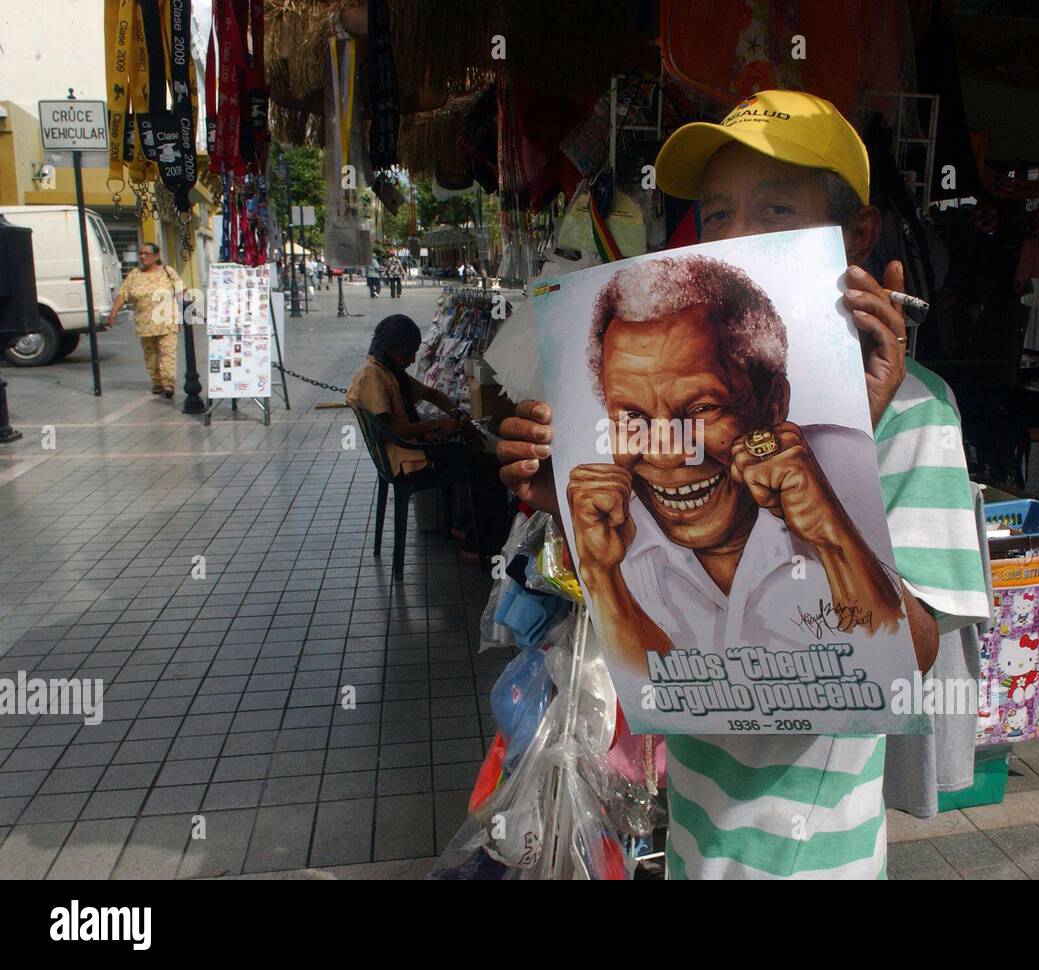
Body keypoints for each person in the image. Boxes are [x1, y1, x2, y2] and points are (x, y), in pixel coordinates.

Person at [496, 90, 989, 879]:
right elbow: (659, 651)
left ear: (854, 234)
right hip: (695, 836)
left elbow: (912, 656)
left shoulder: (917, 412)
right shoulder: (665, 424)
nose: (735, 238)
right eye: (717, 216)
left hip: (821, 858)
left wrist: (836, 480)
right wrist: (555, 496)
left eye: (774, 209)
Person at [570, 254, 904, 675]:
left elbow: (891, 668)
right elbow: (652, 690)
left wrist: (836, 540)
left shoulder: (845, 464)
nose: (666, 453)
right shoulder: (609, 527)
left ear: (774, 404)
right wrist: (603, 578)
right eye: (634, 419)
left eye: (703, 407)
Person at [347, 314, 506, 558]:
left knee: (472, 457)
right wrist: (437, 424)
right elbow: (391, 432)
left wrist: (455, 414)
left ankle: (464, 527)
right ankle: (477, 541)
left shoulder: (387, 370)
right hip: (405, 461)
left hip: (411, 449)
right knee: (486, 468)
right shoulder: (373, 376)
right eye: (407, 354)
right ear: (391, 349)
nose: (412, 360)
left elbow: (432, 395)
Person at [106, 241, 184, 398]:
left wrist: (193, 311)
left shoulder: (168, 272)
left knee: (167, 353)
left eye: (146, 254)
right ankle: (157, 382)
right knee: (151, 355)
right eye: (140, 254)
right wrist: (114, 311)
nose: (142, 257)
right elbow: (123, 294)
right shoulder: (135, 275)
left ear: (156, 256)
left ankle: (168, 383)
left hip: (167, 322)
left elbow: (182, 291)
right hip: (145, 323)